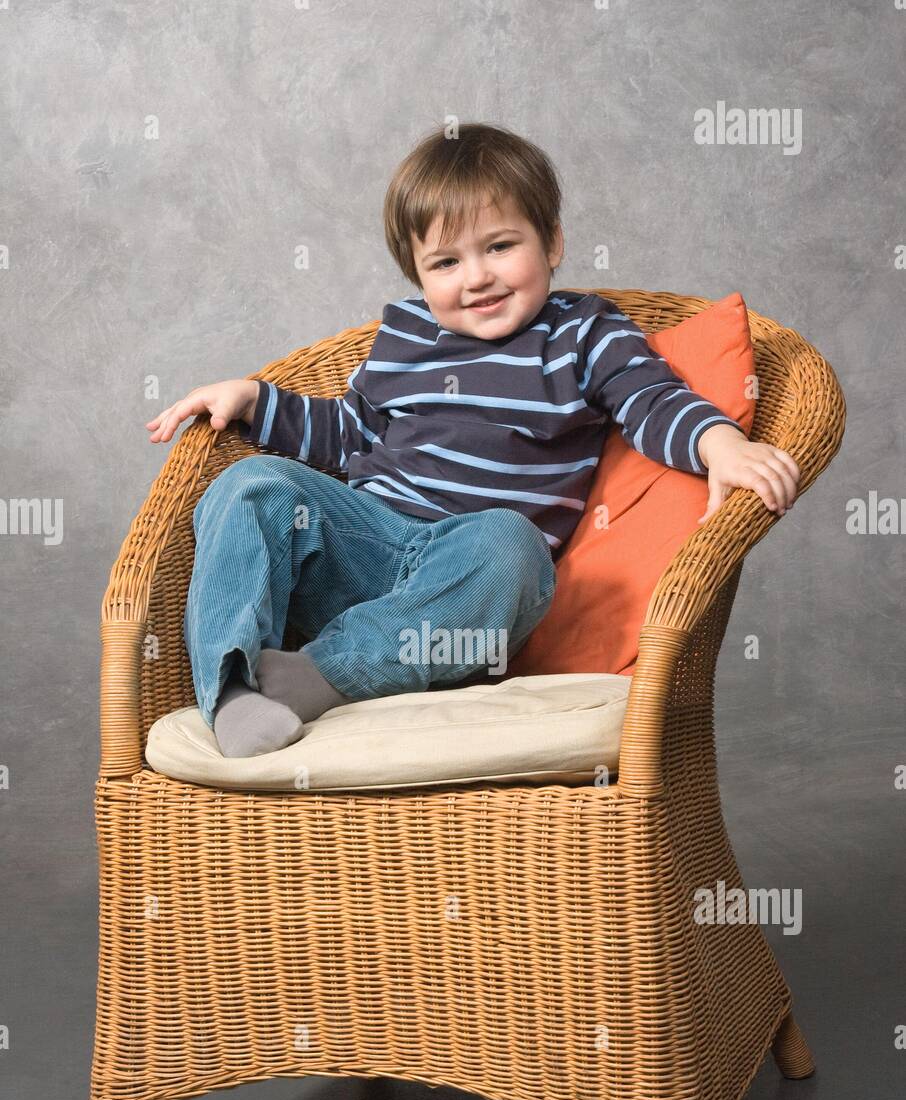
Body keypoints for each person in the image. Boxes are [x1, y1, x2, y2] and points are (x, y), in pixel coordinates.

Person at [146, 122, 799, 758]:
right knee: (248, 486)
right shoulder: (405, 335)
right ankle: (233, 691)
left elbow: (650, 399)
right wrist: (257, 402)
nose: (476, 277)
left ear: (553, 242)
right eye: (446, 262)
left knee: (509, 543)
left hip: (463, 593)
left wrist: (720, 445)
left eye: (500, 246)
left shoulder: (584, 333)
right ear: (419, 277)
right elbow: (349, 434)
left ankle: (320, 677)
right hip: (366, 544)